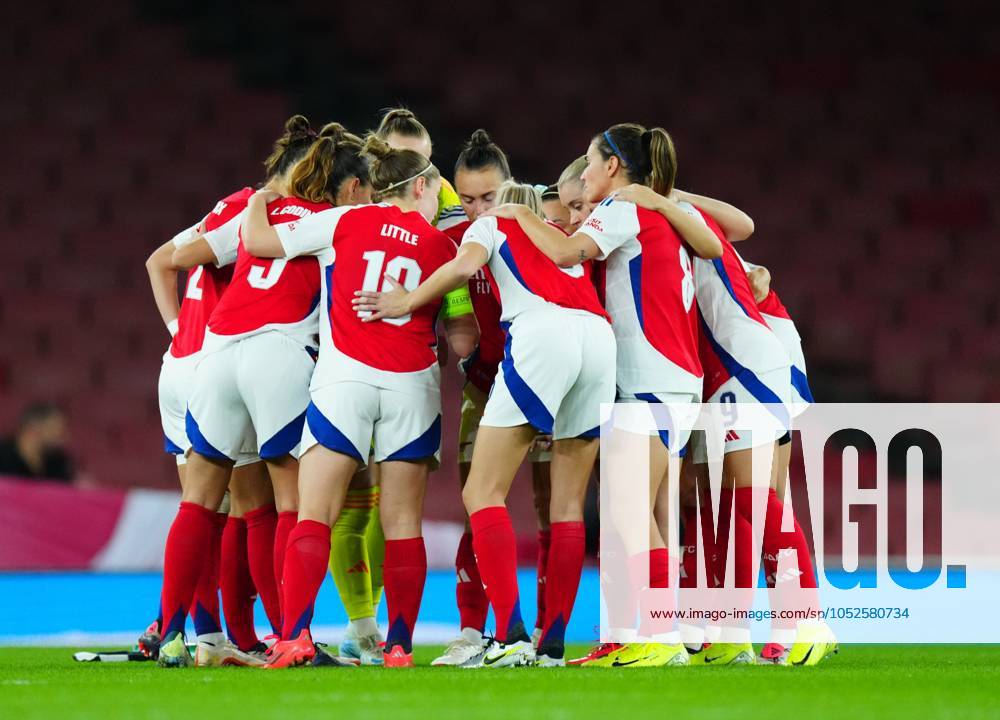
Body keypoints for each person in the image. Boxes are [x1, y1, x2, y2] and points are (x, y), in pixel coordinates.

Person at [487, 123, 724, 668]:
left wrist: (521, 214)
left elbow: (568, 254)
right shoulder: (651, 210)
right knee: (638, 511)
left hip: (652, 376)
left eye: (591, 163)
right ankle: (647, 633)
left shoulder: (622, 206)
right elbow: (712, 243)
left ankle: (661, 637)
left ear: (613, 166)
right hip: (671, 376)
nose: (586, 172)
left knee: (631, 509)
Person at [355, 180, 615, 667]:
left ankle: (511, 634)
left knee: (481, 493)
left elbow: (462, 265)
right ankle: (552, 643)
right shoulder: (562, 236)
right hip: (598, 340)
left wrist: (405, 301)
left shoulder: (494, 223)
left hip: (542, 332)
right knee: (567, 504)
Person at [248, 135, 476, 668]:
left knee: (316, 513)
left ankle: (295, 636)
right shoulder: (443, 247)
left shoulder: (343, 221)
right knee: (401, 523)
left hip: (345, 378)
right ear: (420, 186)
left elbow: (259, 243)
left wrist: (259, 199)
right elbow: (464, 337)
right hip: (411, 386)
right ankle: (397, 646)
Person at [154, 124, 373, 668]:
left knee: (199, 500)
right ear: (347, 188)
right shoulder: (341, 221)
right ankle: (290, 637)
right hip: (280, 351)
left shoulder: (255, 208)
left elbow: (176, 257)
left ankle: (173, 636)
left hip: (216, 351)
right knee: (291, 504)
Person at [615, 182, 837, 667]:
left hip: (742, 363)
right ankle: (728, 629)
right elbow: (742, 229)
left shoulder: (663, 218)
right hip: (711, 371)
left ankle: (806, 621)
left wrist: (663, 195)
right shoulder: (659, 220)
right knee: (717, 505)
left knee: (753, 498)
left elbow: (736, 235)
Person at [325, 107, 474, 665]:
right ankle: (366, 627)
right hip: (346, 357)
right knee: (353, 506)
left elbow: (461, 303)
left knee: (386, 506)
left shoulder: (453, 217)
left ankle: (381, 626)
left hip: (405, 365)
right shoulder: (346, 209)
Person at [430, 130, 559, 665]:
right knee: (476, 502)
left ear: (511, 189)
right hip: (485, 387)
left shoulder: (543, 229)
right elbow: (457, 313)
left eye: (488, 197)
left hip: (546, 383)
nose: (478, 208)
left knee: (553, 509)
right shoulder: (454, 238)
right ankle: (472, 631)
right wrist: (457, 325)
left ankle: (549, 636)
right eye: (467, 198)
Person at [0, 403, 73, 482]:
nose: (62, 434)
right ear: (34, 426)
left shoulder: (58, 462)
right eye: (55, 428)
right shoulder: (3, 454)